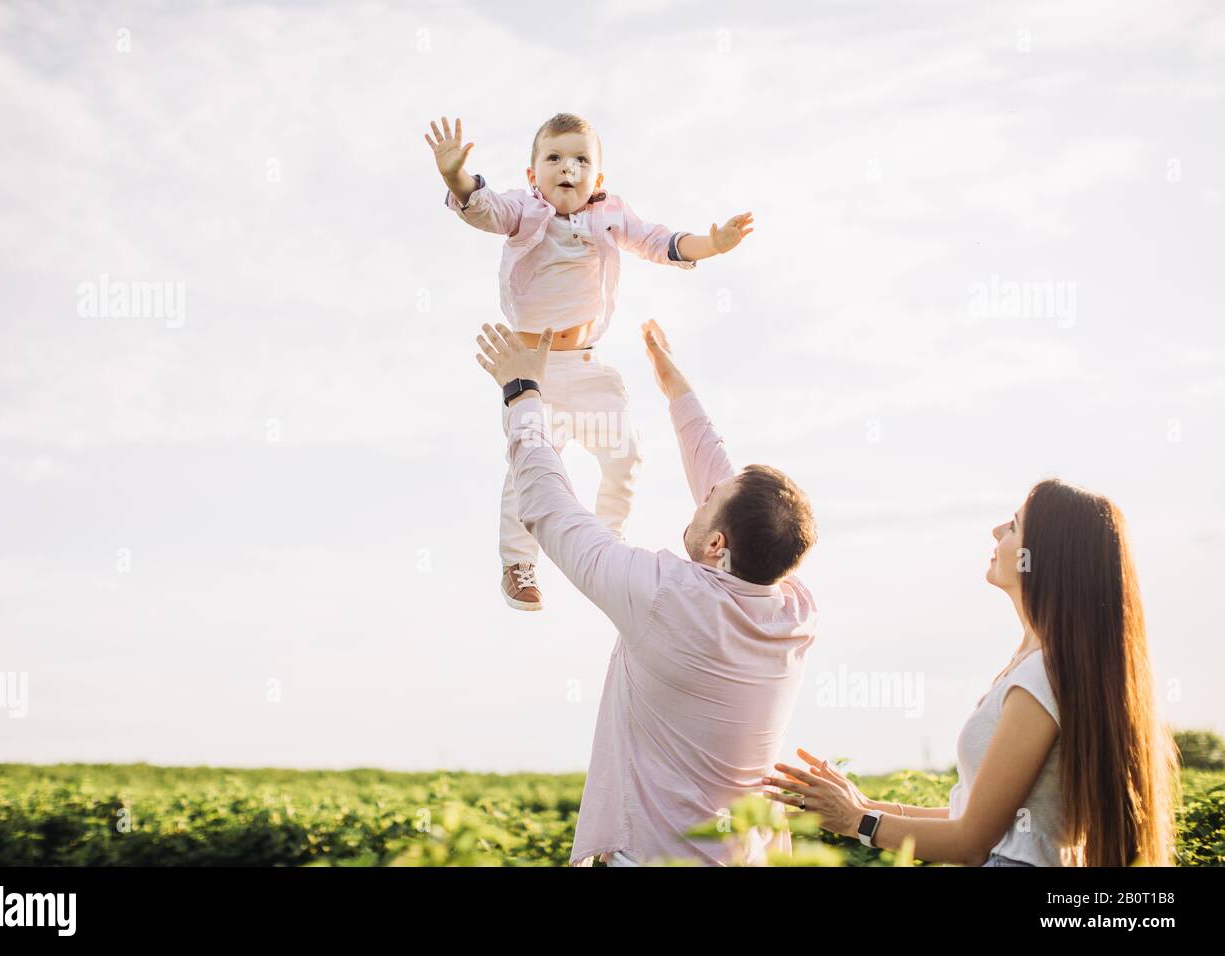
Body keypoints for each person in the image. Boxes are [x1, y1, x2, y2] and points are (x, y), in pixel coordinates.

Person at [474, 317, 817, 865]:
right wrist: (677, 388)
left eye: (708, 502)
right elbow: (732, 489)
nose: (699, 500)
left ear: (717, 544)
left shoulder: (664, 598)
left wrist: (523, 394)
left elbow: (549, 506)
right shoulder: (794, 608)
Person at [428, 111, 755, 610]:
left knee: (625, 456)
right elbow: (484, 208)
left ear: (597, 179)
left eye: (581, 160)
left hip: (586, 368)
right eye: (554, 158)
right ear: (533, 175)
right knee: (530, 465)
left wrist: (711, 244)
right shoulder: (523, 209)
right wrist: (456, 176)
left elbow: (657, 242)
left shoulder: (610, 215)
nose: (568, 168)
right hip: (531, 371)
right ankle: (519, 563)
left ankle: (606, 548)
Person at [765, 480, 1180, 866]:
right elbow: (974, 815)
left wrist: (858, 821)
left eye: (1014, 526)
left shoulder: (1040, 679)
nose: (997, 531)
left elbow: (971, 841)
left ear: (1044, 558)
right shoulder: (1041, 667)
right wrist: (866, 806)